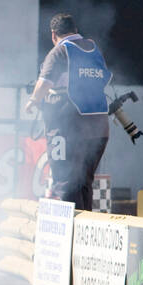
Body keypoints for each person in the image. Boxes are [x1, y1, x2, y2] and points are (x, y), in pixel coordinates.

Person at [23, 13, 111, 210]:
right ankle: (84, 231)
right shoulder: (93, 49)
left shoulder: (60, 51)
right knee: (85, 182)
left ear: (54, 34)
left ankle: (70, 235)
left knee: (65, 182)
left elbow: (44, 84)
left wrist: (33, 102)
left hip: (68, 130)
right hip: (99, 130)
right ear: (76, 30)